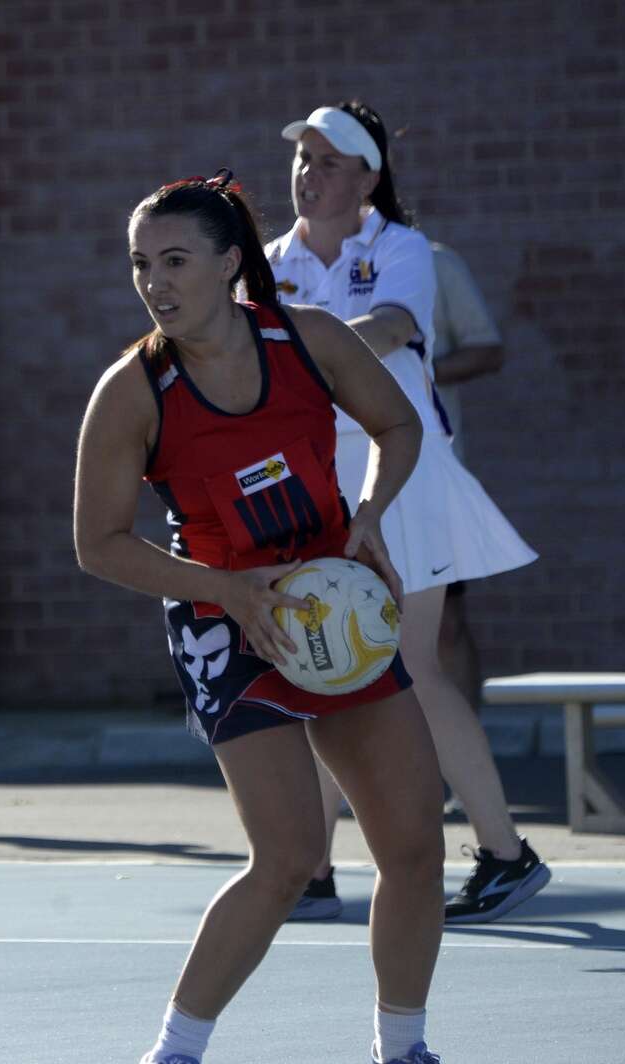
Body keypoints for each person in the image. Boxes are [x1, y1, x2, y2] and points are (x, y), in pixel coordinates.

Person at [74, 171, 446, 1064]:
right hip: (228, 618)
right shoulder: (133, 391)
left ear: (229, 262)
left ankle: (403, 1049)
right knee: (286, 858)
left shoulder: (308, 339)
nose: (154, 282)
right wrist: (230, 590)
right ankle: (174, 1053)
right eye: (139, 264)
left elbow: (400, 427)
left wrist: (368, 517)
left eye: (174, 260)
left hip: (334, 606)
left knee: (415, 847)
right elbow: (98, 544)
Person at [266, 102, 546, 926]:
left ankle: (506, 854)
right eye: (303, 158)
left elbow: (389, 328)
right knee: (314, 664)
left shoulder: (403, 249)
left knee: (414, 669)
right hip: (313, 484)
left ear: (369, 178)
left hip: (403, 477)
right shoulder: (269, 260)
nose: (309, 173)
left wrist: (289, 353)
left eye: (329, 161)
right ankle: (313, 870)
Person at [429, 240, 509, 713]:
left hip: (428, 480)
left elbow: (487, 349)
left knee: (445, 623)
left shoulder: (432, 260)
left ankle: (465, 751)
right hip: (331, 481)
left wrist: (413, 371)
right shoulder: (282, 259)